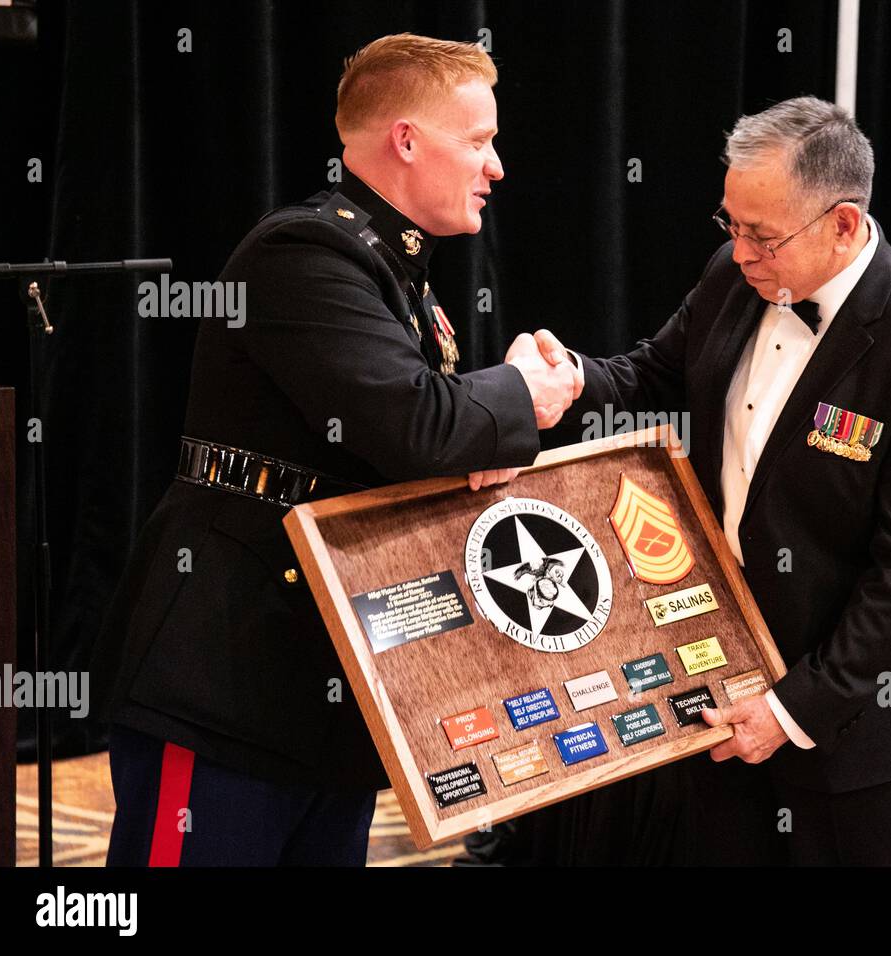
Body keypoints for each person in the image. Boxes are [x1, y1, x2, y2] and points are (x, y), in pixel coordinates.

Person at [91, 33, 581, 867]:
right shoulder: (305, 254)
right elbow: (418, 429)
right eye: (478, 141)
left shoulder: (388, 263)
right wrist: (518, 394)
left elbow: (422, 441)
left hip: (331, 692)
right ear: (406, 140)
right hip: (228, 687)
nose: (495, 167)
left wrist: (493, 416)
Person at [518, 96, 891, 865]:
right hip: (723, 688)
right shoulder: (740, 273)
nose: (740, 253)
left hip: (856, 739)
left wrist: (789, 708)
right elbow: (657, 372)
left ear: (843, 225)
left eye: (763, 237)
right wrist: (571, 378)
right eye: (730, 227)